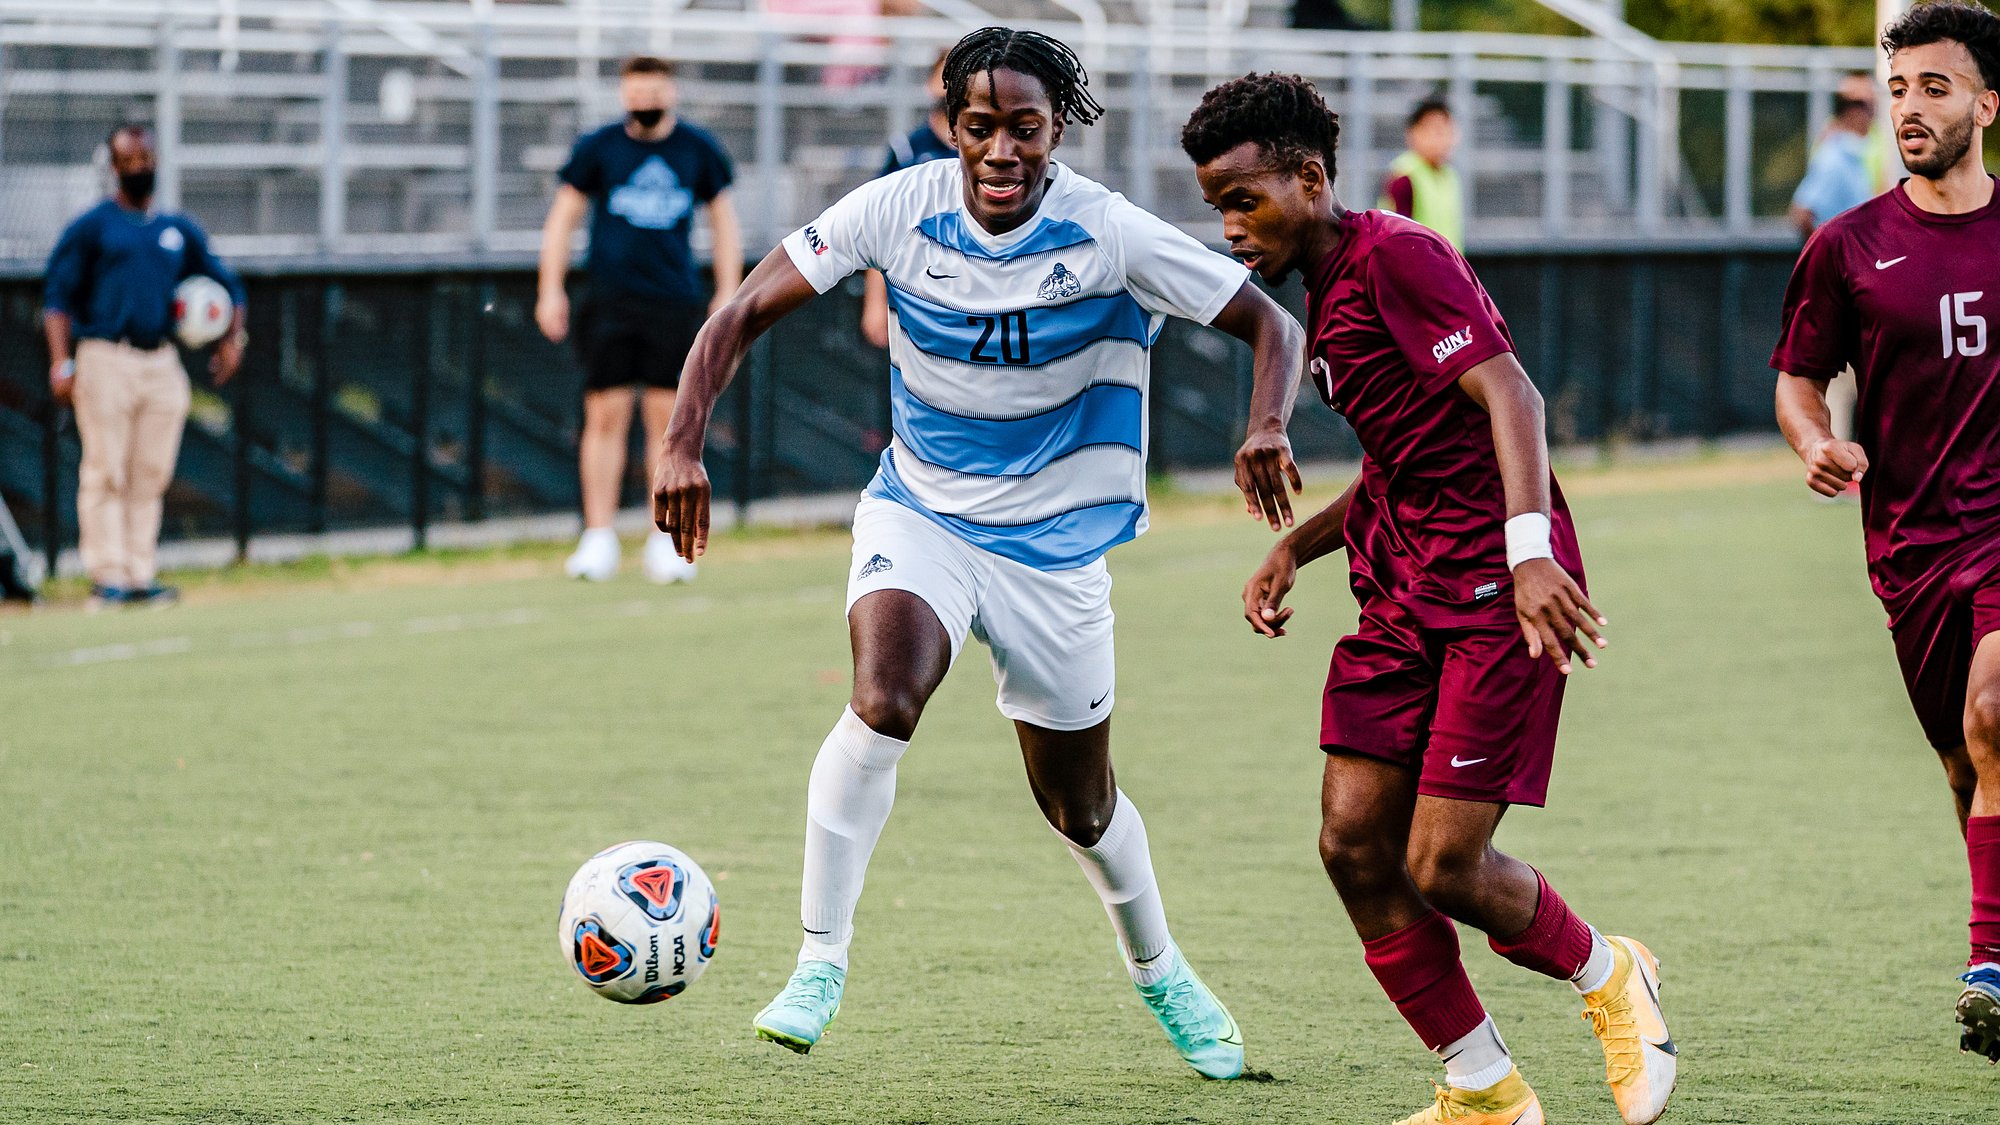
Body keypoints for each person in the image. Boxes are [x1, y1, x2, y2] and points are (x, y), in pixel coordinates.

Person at [651, 27, 1307, 1078]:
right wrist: (681, 443)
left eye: (1024, 129)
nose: (1001, 151)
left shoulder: (1108, 232)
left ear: (1057, 132)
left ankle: (1161, 971)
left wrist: (1266, 424)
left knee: (1079, 807)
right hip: (924, 516)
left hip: (1055, 551)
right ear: (950, 126)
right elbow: (737, 315)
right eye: (979, 127)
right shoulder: (893, 208)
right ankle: (818, 960)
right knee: (883, 698)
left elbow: (1273, 325)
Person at [1183, 73, 1675, 1125]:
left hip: (1496, 589)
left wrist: (1530, 553)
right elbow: (1403, 458)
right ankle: (1483, 1086)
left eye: (1243, 200)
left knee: (1444, 863)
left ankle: (1609, 972)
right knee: (1352, 843)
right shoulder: (1323, 293)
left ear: (1310, 178)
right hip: (1402, 590)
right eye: (1216, 207)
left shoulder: (1398, 256)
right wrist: (1296, 547)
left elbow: (1511, 394)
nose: (1229, 227)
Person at [1771, 0, 2000, 1065]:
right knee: (1963, 763)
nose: (1909, 107)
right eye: (1899, 88)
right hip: (1911, 546)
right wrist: (1815, 440)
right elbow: (1798, 380)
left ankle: (1988, 963)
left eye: (1934, 88)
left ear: (1986, 106)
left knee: (1995, 713)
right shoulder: (1846, 247)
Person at [536, 55, 742, 585]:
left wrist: (727, 292)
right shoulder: (598, 147)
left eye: (653, 90)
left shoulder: (697, 149)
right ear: (624, 94)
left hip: (672, 303)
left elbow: (724, 222)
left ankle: (664, 541)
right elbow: (562, 218)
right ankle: (598, 537)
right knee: (604, 416)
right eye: (635, 91)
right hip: (609, 301)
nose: (644, 99)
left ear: (670, 93)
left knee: (666, 422)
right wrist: (550, 288)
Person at [43, 124, 246, 610]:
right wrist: (60, 362)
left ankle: (140, 572)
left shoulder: (175, 229)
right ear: (114, 167)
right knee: (105, 469)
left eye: (146, 160)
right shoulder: (93, 226)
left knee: (149, 472)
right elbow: (56, 298)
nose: (140, 168)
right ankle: (107, 575)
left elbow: (230, 286)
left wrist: (233, 338)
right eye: (130, 161)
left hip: (160, 361)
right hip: (105, 355)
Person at [860, 49, 955, 350]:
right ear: (930, 83)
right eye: (945, 76)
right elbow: (880, 227)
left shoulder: (988, 151)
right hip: (914, 294)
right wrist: (875, 303)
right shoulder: (907, 150)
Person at [1379, 97, 1465, 252]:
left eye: (1449, 131)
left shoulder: (1449, 175)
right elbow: (1398, 240)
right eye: (1437, 131)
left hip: (1446, 265)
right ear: (1414, 133)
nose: (1445, 139)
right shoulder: (1404, 177)